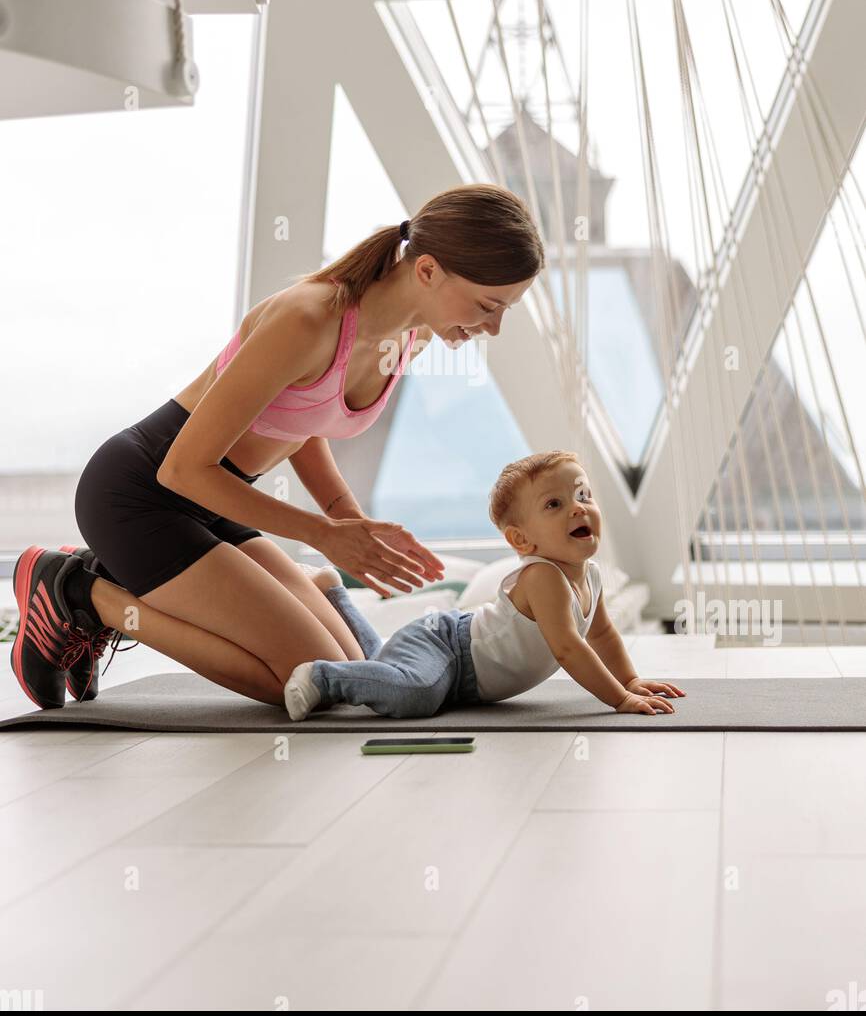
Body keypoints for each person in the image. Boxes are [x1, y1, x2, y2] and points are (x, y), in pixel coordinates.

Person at [12, 184, 545, 711]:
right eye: (488, 305)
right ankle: (84, 595)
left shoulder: (414, 333)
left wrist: (349, 524)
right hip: (138, 496)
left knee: (355, 668)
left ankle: (293, 591)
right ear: (428, 270)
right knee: (304, 679)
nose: (493, 327)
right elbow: (182, 470)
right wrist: (325, 535)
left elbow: (304, 418)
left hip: (215, 502)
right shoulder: (307, 318)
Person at [284, 452, 686, 720]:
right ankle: (322, 677)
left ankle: (334, 592)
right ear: (521, 541)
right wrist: (619, 699)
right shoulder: (544, 576)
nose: (579, 507)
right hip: (448, 648)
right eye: (554, 504)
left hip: (460, 668)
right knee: (417, 693)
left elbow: (601, 633)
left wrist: (630, 679)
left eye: (583, 495)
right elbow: (568, 647)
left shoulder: (592, 575)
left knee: (384, 664)